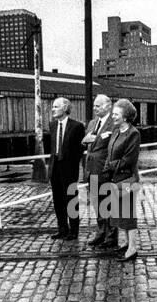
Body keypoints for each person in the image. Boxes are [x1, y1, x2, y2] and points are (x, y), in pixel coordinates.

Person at [101, 98, 142, 261]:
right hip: (115, 178)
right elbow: (109, 152)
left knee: (128, 213)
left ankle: (132, 248)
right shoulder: (116, 131)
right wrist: (107, 168)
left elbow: (129, 160)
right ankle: (126, 243)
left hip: (127, 179)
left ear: (125, 117)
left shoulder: (133, 134)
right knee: (120, 213)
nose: (113, 117)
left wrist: (110, 165)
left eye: (116, 114)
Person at [45, 96, 84, 240]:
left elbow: (79, 150)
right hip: (55, 166)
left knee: (71, 200)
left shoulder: (77, 126)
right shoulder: (52, 125)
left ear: (65, 108)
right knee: (58, 199)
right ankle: (62, 228)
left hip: (69, 168)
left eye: (56, 106)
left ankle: (73, 231)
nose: (53, 109)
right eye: (53, 107)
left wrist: (72, 164)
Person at [80, 93, 116, 249]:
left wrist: (109, 168)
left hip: (104, 170)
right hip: (91, 170)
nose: (95, 108)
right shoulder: (92, 123)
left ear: (108, 106)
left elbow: (114, 148)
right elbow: (85, 144)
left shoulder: (113, 124)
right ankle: (101, 232)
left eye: (98, 106)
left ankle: (111, 236)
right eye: (94, 106)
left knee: (108, 203)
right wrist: (85, 141)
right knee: (97, 203)